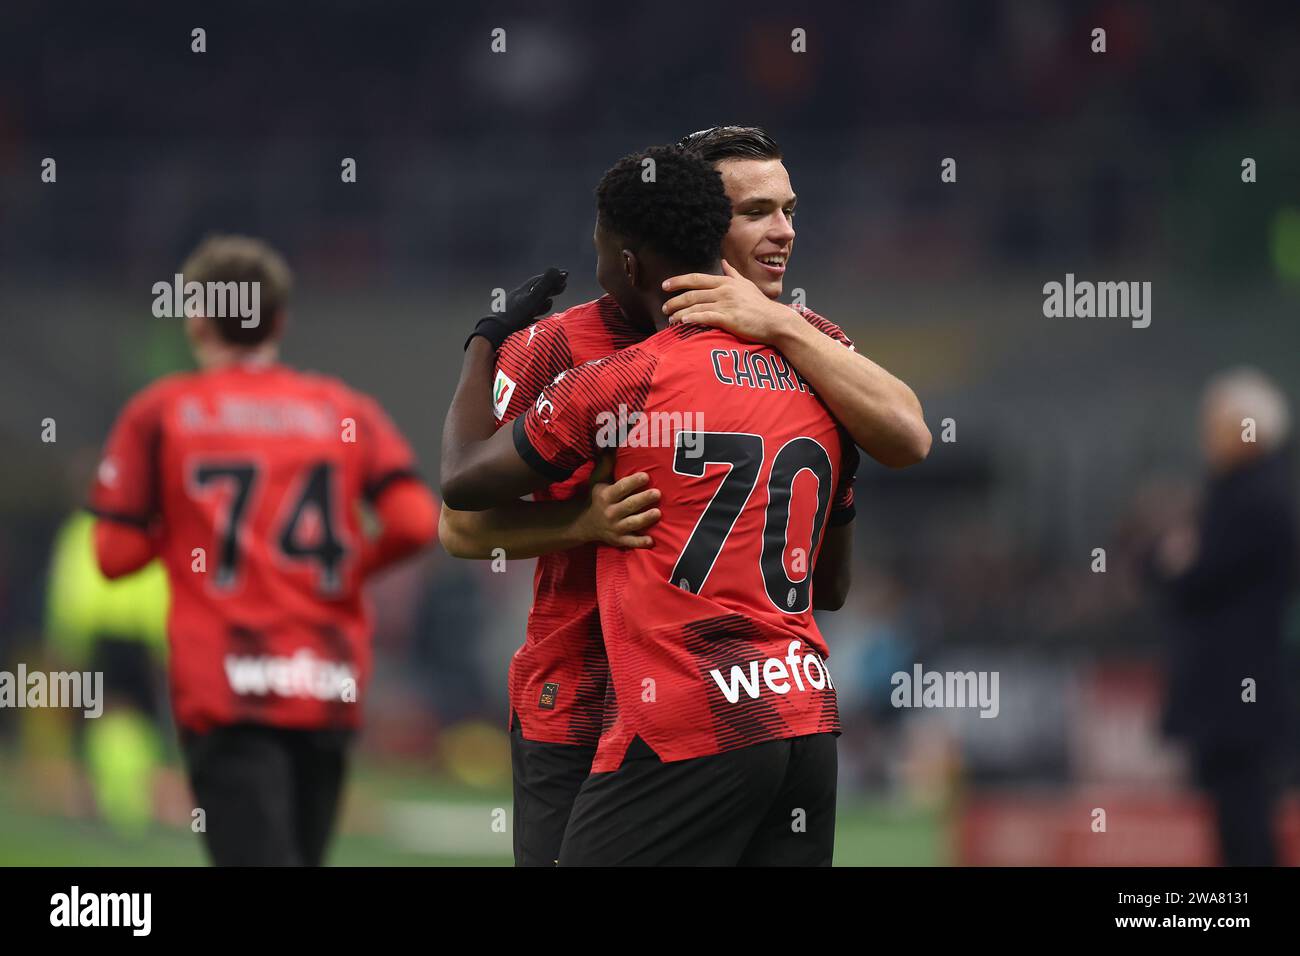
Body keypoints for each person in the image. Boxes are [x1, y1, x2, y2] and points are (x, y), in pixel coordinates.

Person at [439, 127, 930, 866]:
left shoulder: (804, 341)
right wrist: (583, 524)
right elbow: (459, 527)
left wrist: (778, 324)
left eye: (790, 210)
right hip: (577, 703)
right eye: (757, 211)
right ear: (698, 218)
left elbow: (909, 435)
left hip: (700, 711)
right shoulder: (557, 347)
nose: (785, 232)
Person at [90, 235, 438, 865]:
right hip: (325, 676)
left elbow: (112, 556)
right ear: (280, 320)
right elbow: (415, 521)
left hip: (227, 682)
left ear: (196, 320)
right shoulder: (341, 409)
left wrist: (186, 527)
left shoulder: (162, 413)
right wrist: (342, 570)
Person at [1150, 366, 1297, 866]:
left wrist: (1176, 561)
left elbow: (1195, 572)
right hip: (1236, 695)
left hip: (1242, 694)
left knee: (1246, 819)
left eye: (1216, 423)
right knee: (1237, 819)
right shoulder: (1246, 493)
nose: (1206, 436)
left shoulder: (1255, 498)